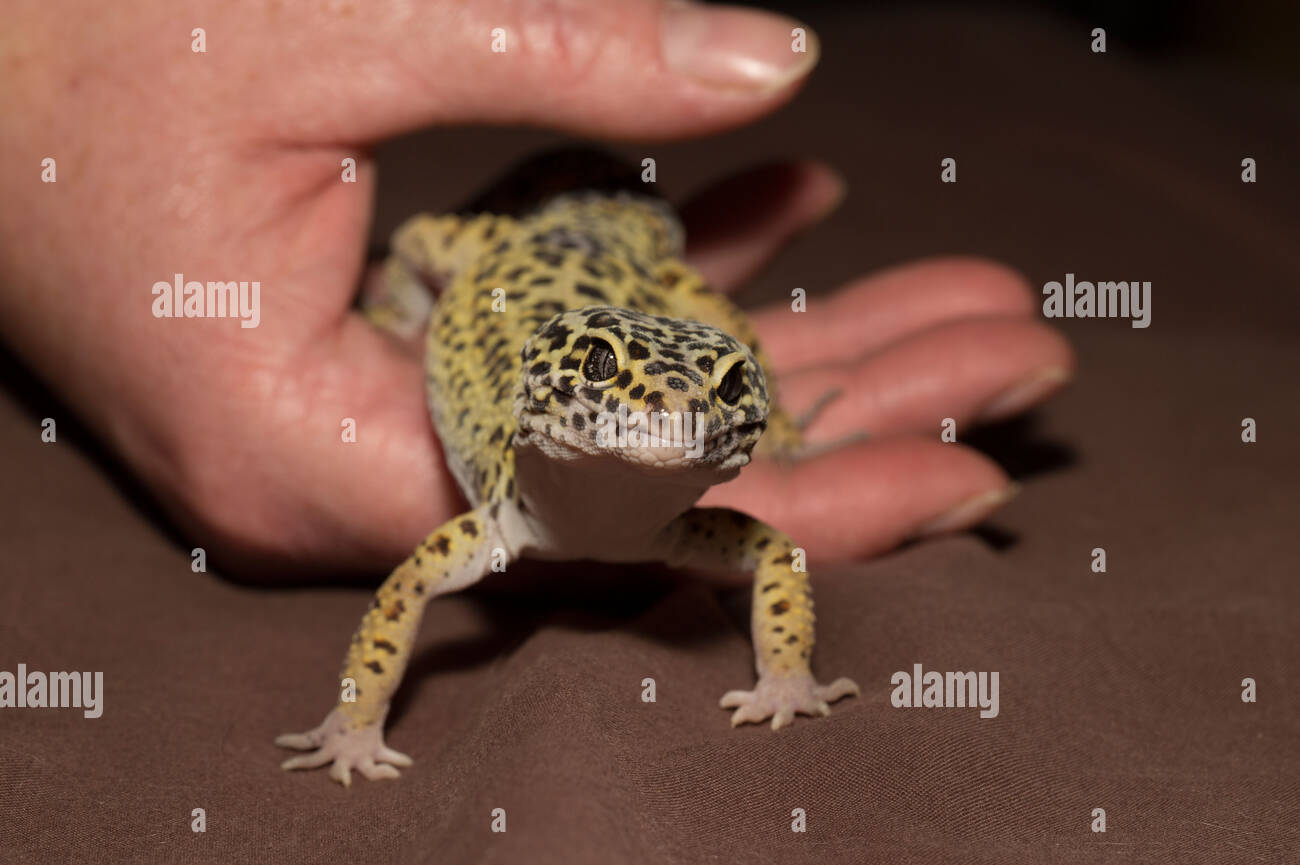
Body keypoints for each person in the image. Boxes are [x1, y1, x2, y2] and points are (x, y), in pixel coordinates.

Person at [0, 0, 1072, 578]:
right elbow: (431, 240)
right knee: (429, 237)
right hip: (559, 246)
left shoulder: (653, 281)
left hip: (614, 246)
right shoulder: (504, 257)